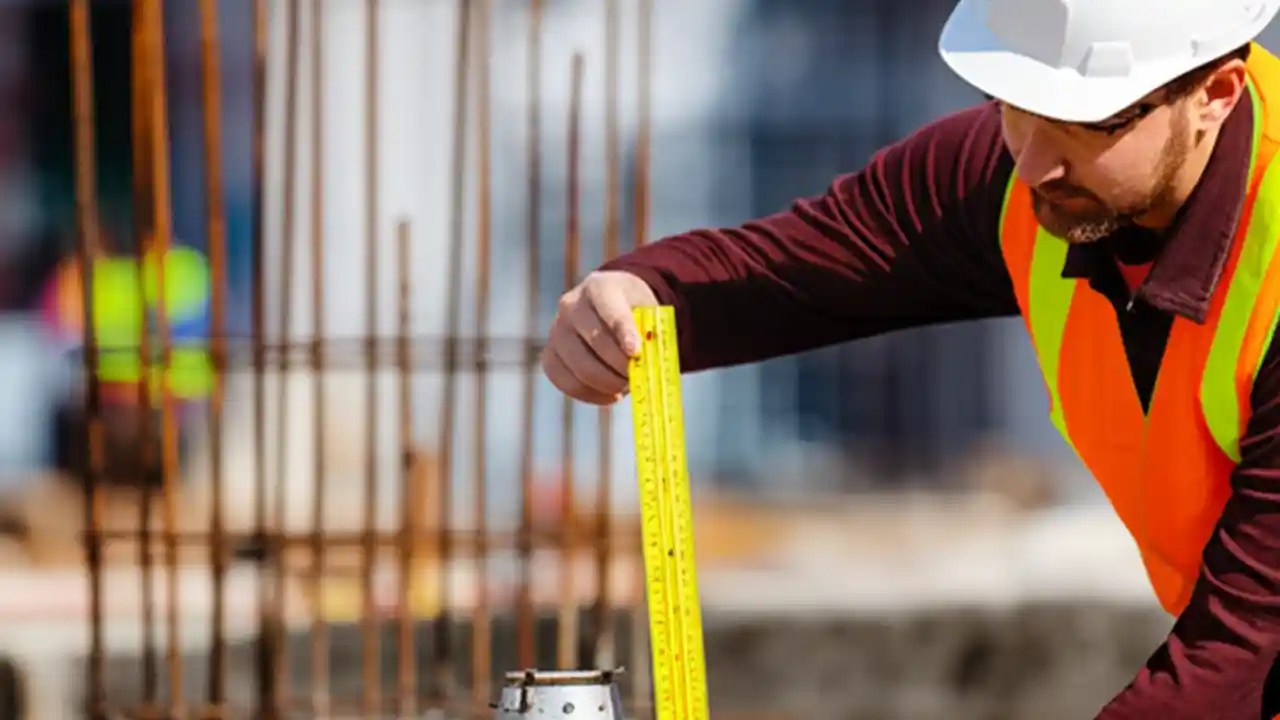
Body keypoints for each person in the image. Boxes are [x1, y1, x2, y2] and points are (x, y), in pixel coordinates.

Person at [542, 0, 1280, 717]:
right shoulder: (1027, 172)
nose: (1032, 162)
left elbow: (1242, 648)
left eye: (1088, 121)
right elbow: (802, 265)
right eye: (1012, 103)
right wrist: (644, 294)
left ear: (1215, 93)